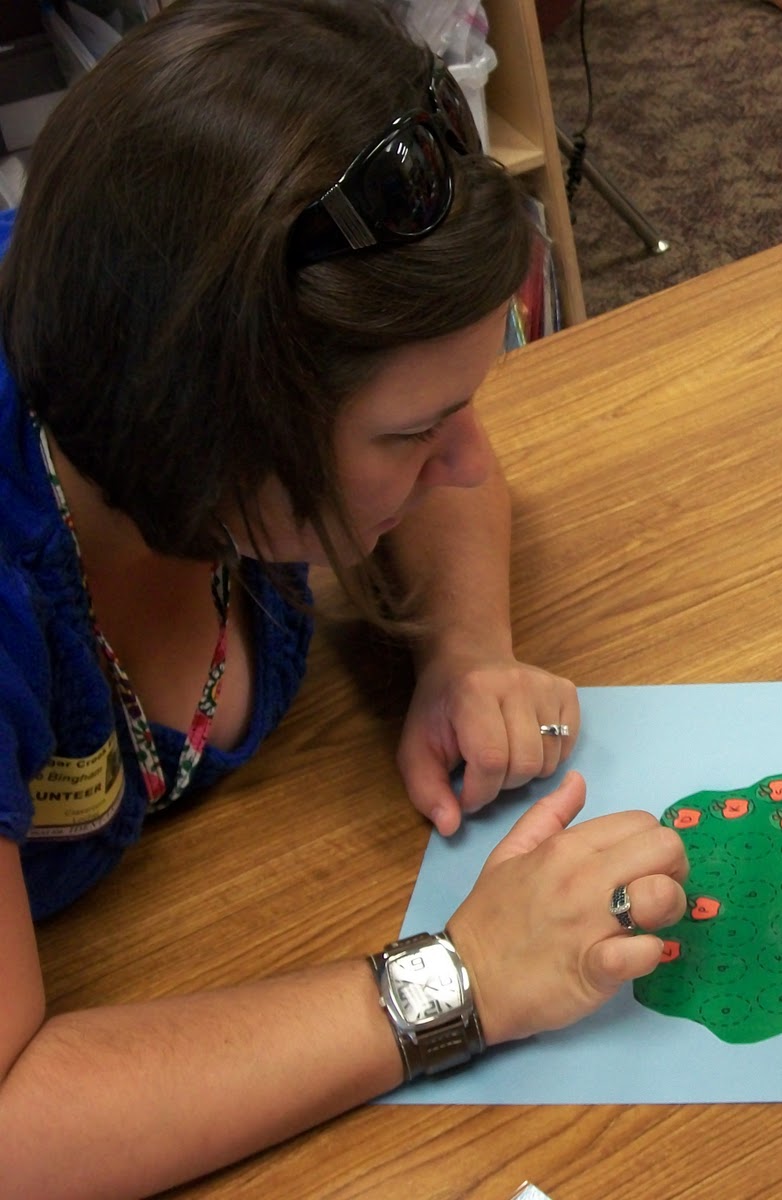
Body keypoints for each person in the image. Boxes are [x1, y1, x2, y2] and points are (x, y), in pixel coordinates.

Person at [0, 1, 687, 1195]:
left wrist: (463, 652)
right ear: (209, 428)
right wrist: (457, 982)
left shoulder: (170, 348)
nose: (472, 465)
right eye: (414, 433)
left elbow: (450, 482)